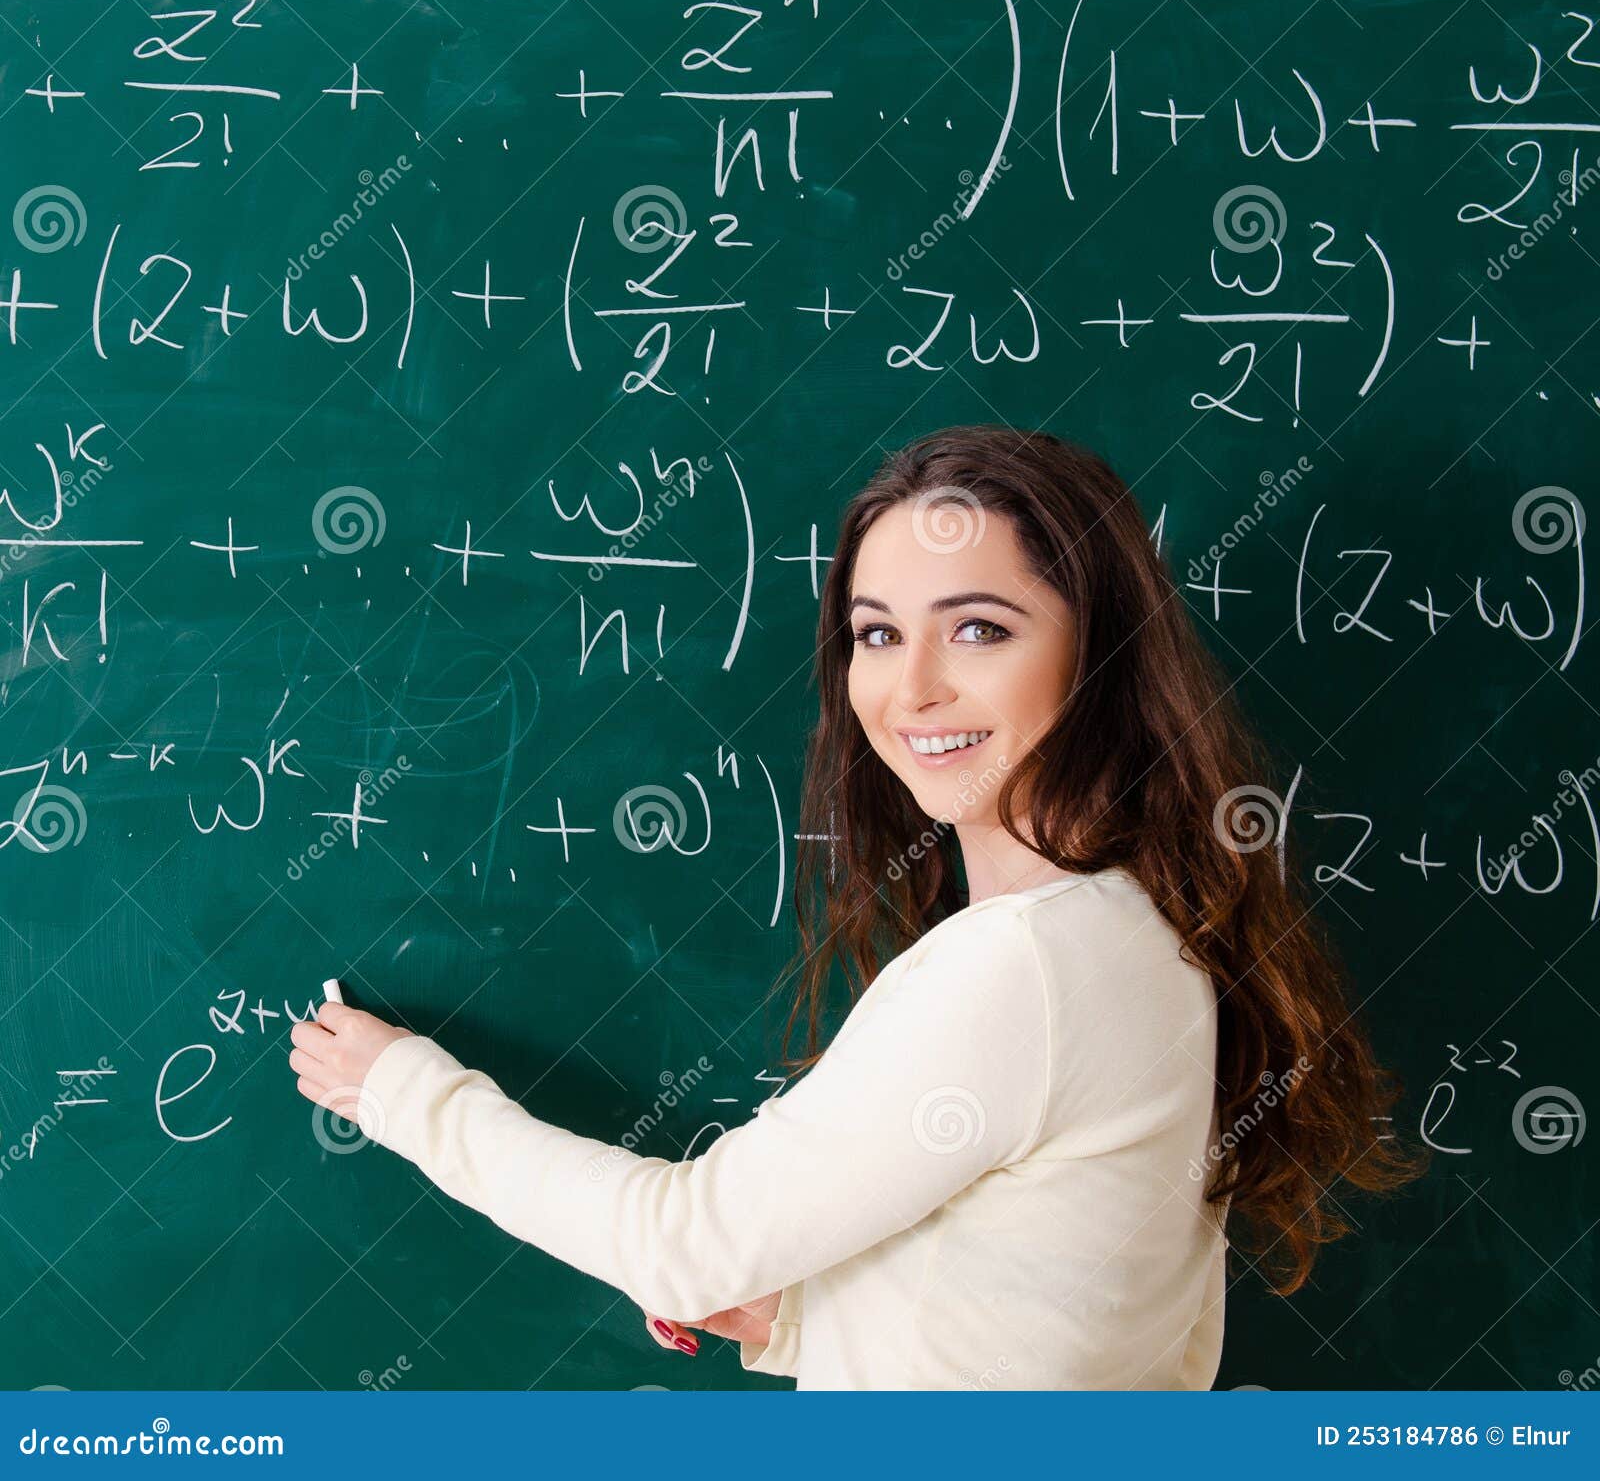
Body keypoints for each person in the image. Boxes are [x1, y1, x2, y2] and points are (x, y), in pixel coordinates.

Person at [288, 423, 1427, 1389]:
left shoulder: (1017, 967)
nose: (910, 684)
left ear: (1099, 654)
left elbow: (675, 1243)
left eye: (978, 627)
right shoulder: (1147, 935)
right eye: (878, 632)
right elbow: (1079, 1322)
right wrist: (796, 1319)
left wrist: (397, 1087)